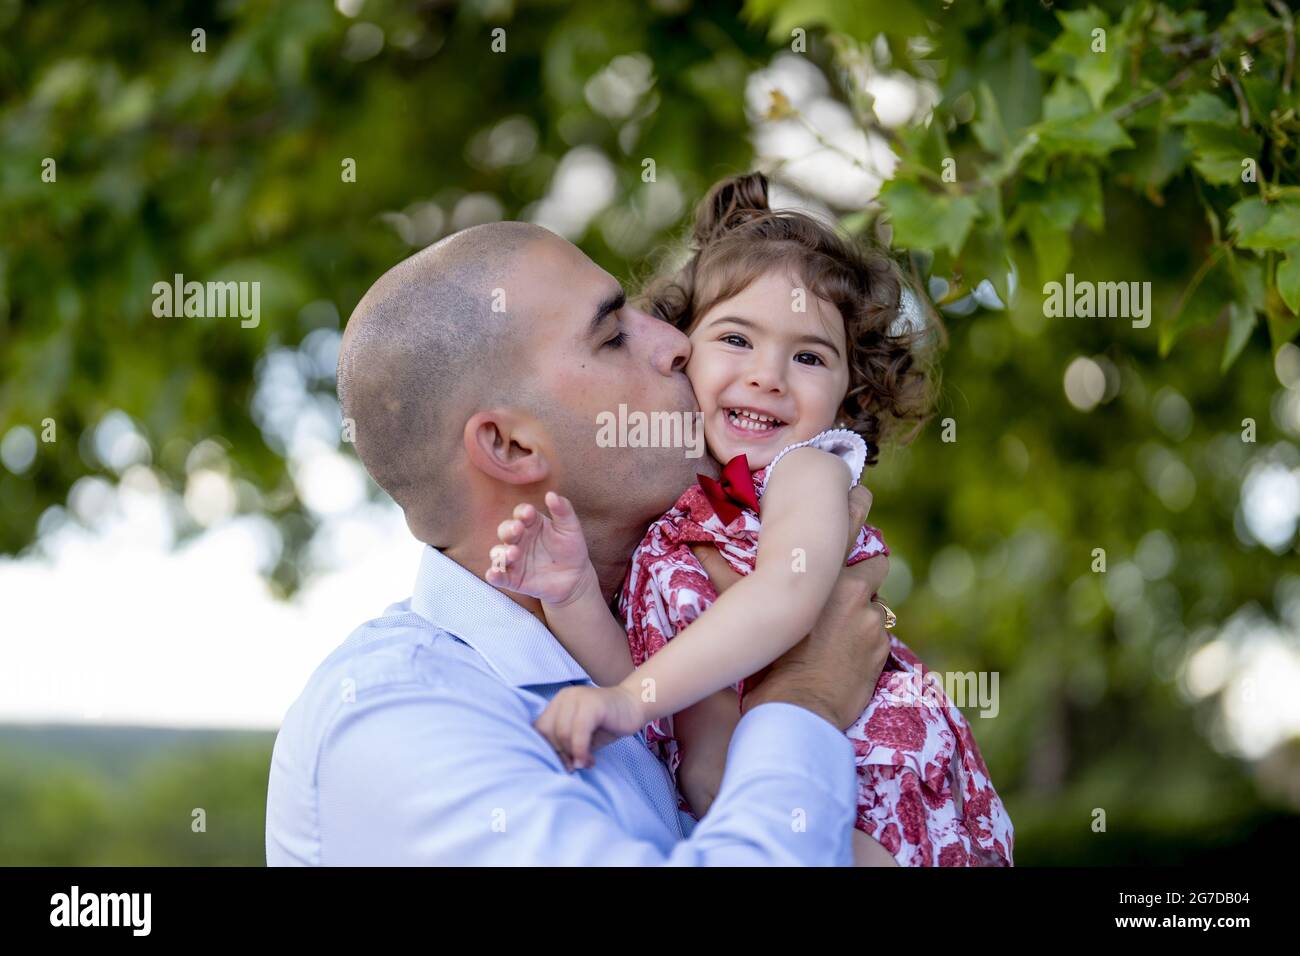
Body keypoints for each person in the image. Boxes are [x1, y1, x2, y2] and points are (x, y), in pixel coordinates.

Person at [265, 215, 892, 865]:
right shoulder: (400, 721)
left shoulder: (683, 616)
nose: (677, 342)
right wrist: (805, 699)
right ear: (511, 446)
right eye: (614, 333)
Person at [486, 173, 1014, 867]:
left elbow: (786, 599)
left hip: (867, 780)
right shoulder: (670, 516)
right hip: (735, 789)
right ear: (680, 350)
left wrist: (627, 702)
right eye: (737, 340)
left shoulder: (808, 472)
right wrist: (576, 594)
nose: (769, 374)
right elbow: (645, 680)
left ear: (849, 392)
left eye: (808, 356)